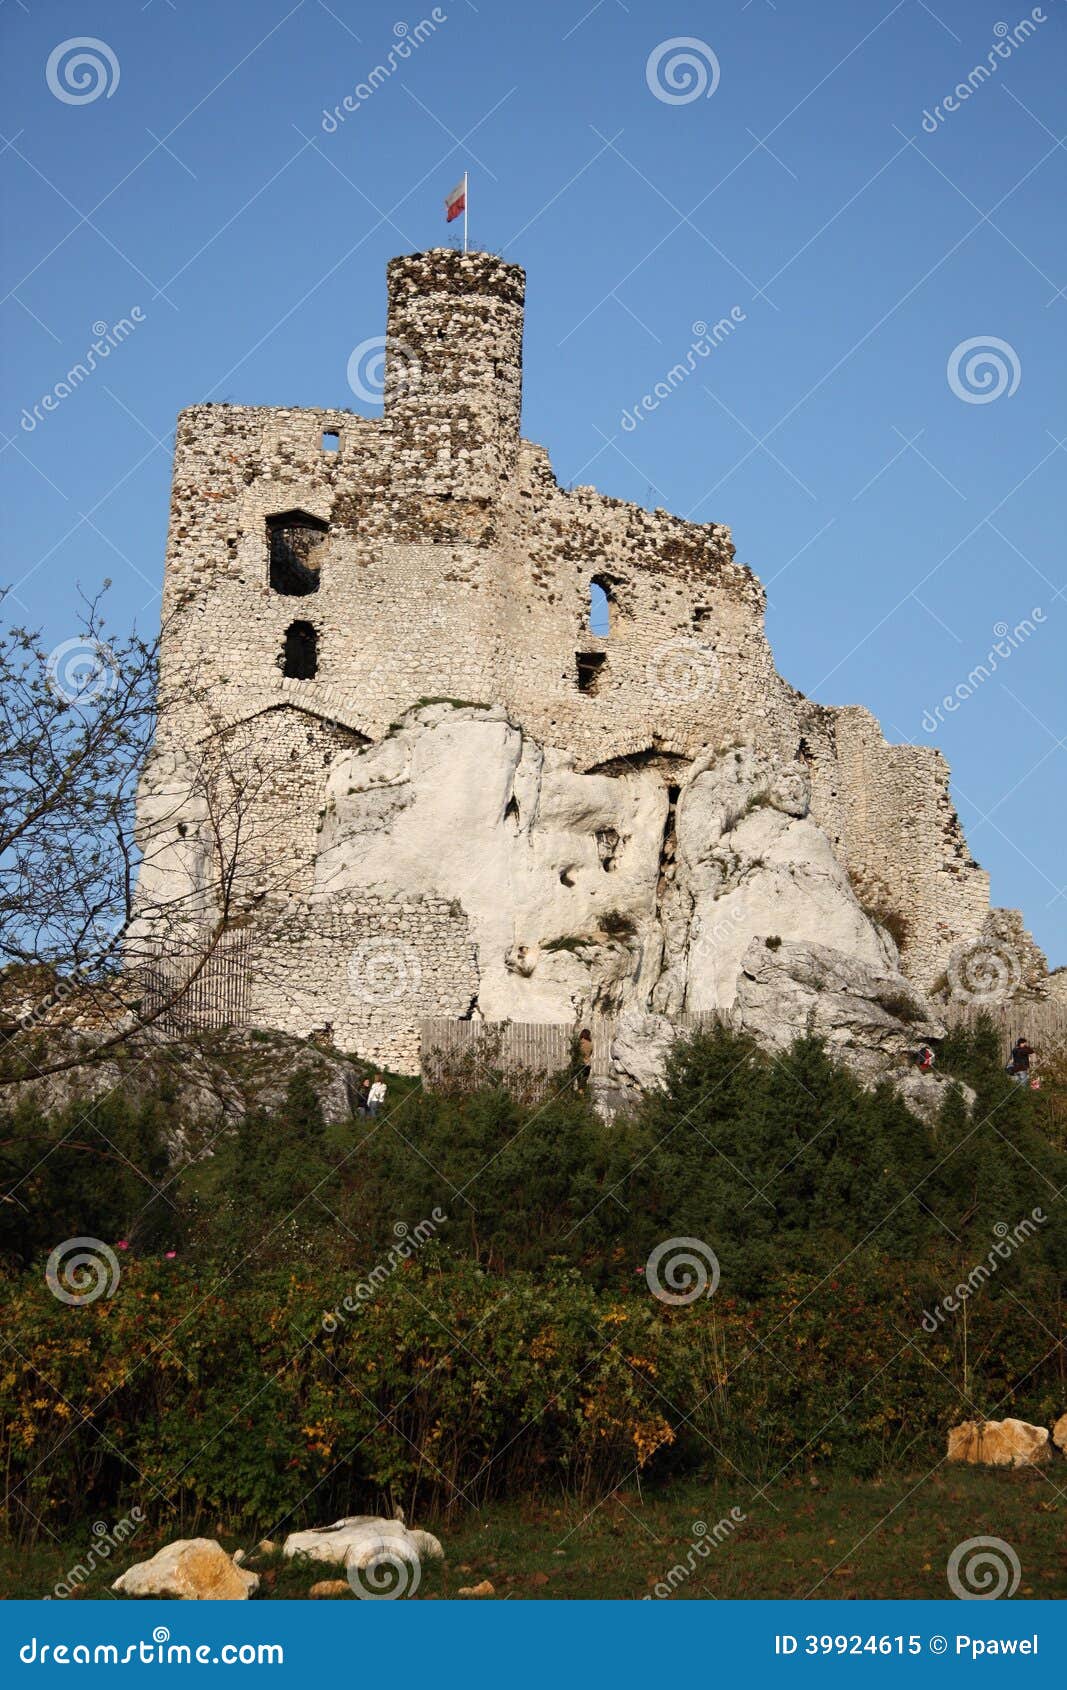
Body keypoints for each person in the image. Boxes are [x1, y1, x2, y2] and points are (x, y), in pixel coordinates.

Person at [576, 1027, 593, 1093]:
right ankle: (584, 1097)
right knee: (584, 1081)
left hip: (579, 1064)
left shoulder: (579, 1043)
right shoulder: (590, 1044)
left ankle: (580, 1098)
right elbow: (590, 1054)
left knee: (579, 1084)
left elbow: (576, 1053)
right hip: (587, 1065)